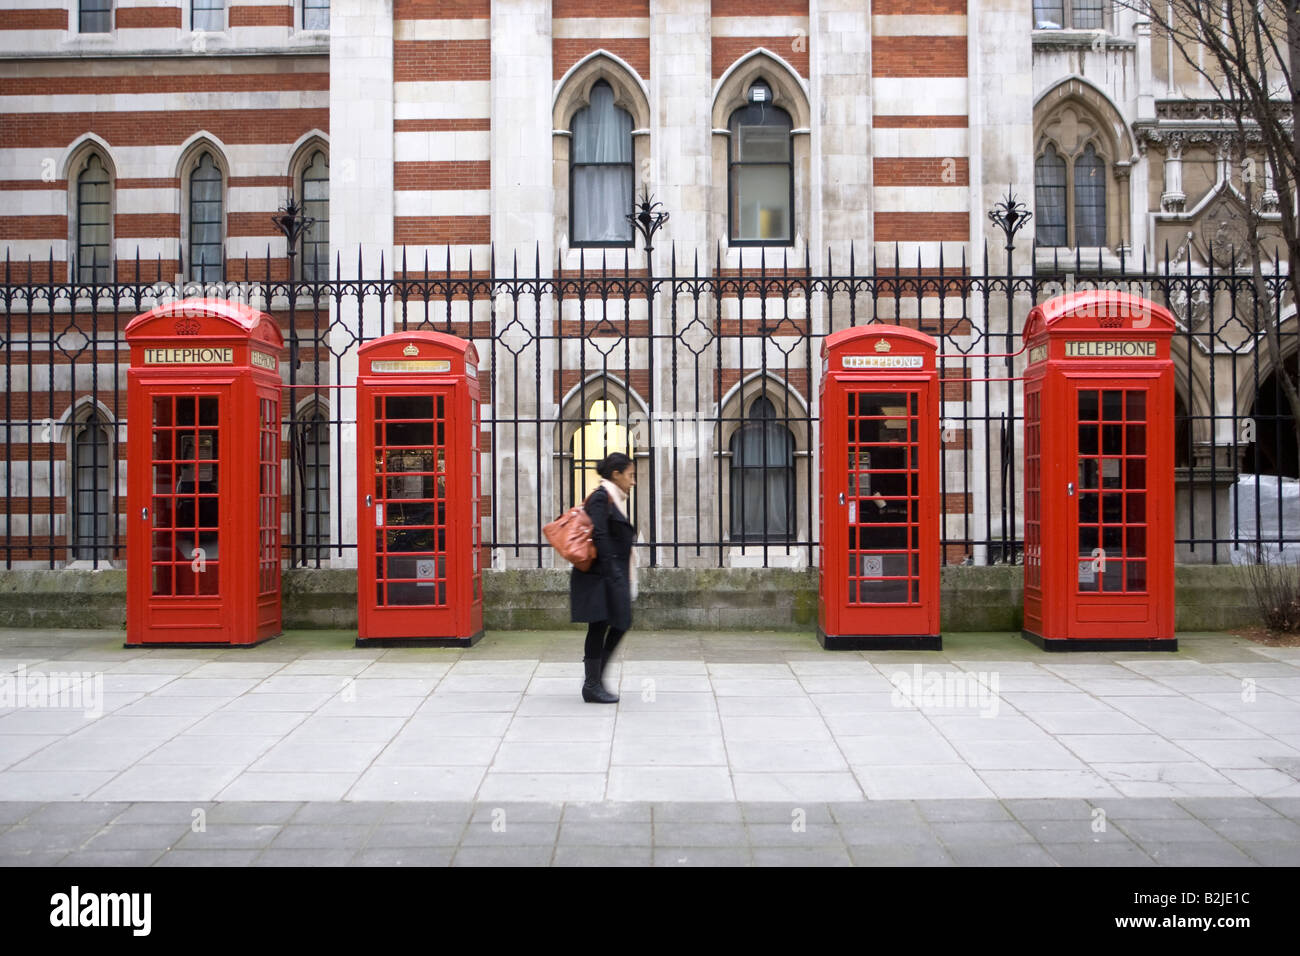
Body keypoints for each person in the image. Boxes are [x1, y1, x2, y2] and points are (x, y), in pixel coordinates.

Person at [569, 452, 636, 703]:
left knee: (618, 623)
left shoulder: (612, 498)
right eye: (630, 475)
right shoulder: (600, 498)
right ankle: (592, 684)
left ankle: (595, 681)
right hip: (599, 576)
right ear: (616, 474)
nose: (633, 481)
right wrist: (613, 573)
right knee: (602, 626)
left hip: (609, 575)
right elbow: (599, 536)